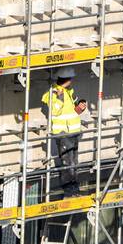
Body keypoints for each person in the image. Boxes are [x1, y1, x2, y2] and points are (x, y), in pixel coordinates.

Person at [41, 67, 87, 196]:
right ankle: (68, 189)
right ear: (67, 80)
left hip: (73, 131)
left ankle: (74, 187)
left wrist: (80, 107)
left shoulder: (68, 91)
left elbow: (72, 110)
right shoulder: (54, 93)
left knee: (74, 162)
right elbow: (55, 111)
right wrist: (59, 98)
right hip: (63, 132)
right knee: (67, 162)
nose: (71, 81)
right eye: (70, 79)